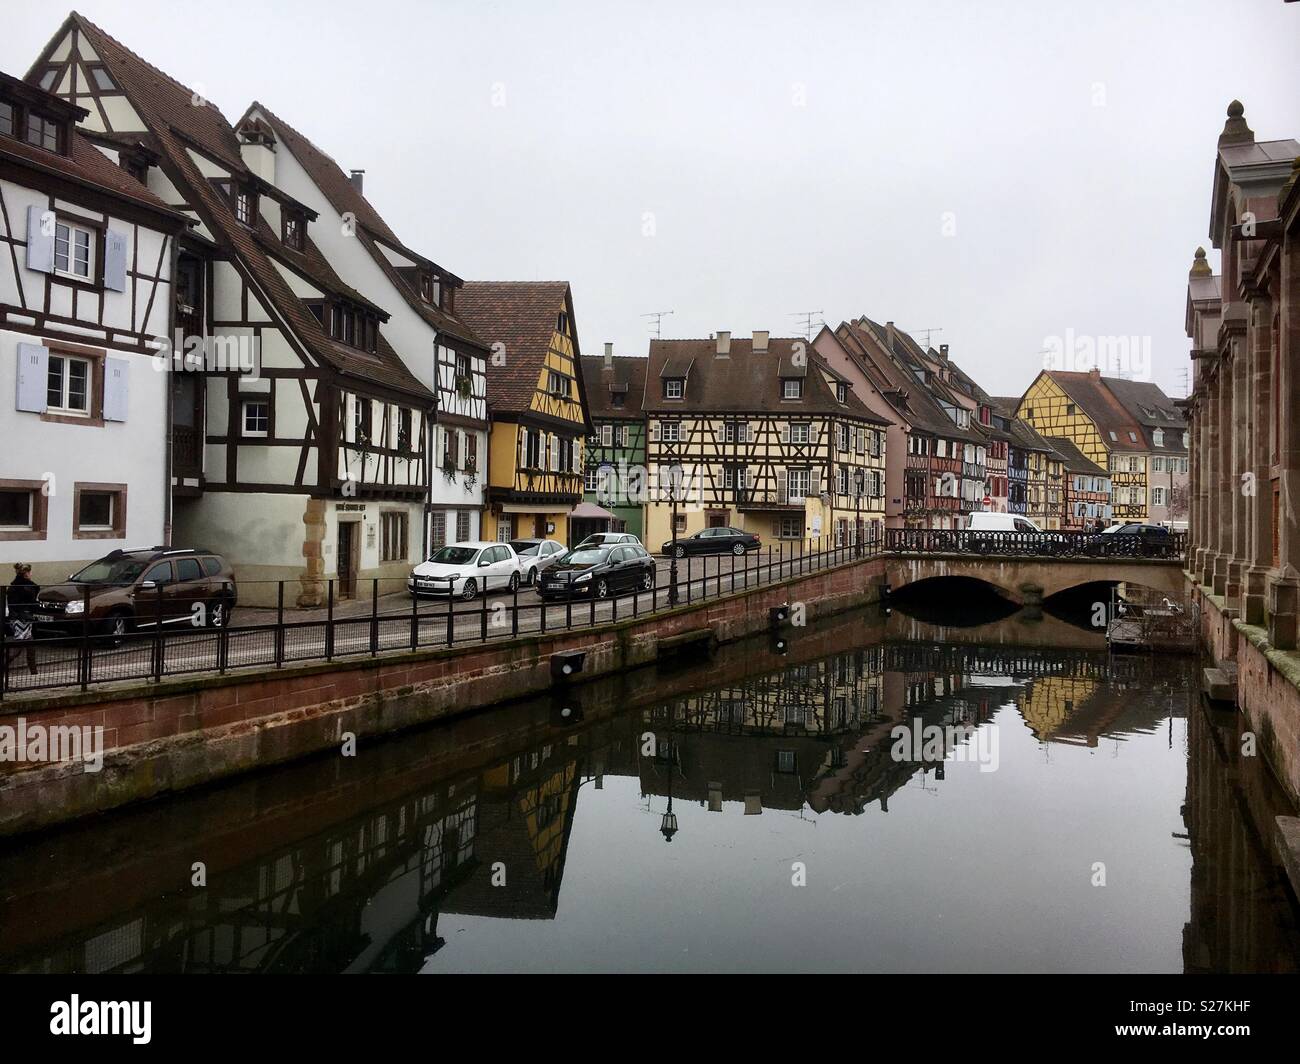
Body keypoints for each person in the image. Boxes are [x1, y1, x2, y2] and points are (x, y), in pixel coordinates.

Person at [5, 562, 39, 676]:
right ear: (26, 573)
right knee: (19, 647)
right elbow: (33, 603)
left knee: (30, 646)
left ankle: (34, 672)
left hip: (16, 619)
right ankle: (33, 672)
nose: (31, 574)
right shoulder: (28, 587)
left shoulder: (13, 586)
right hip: (24, 619)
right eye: (30, 572)